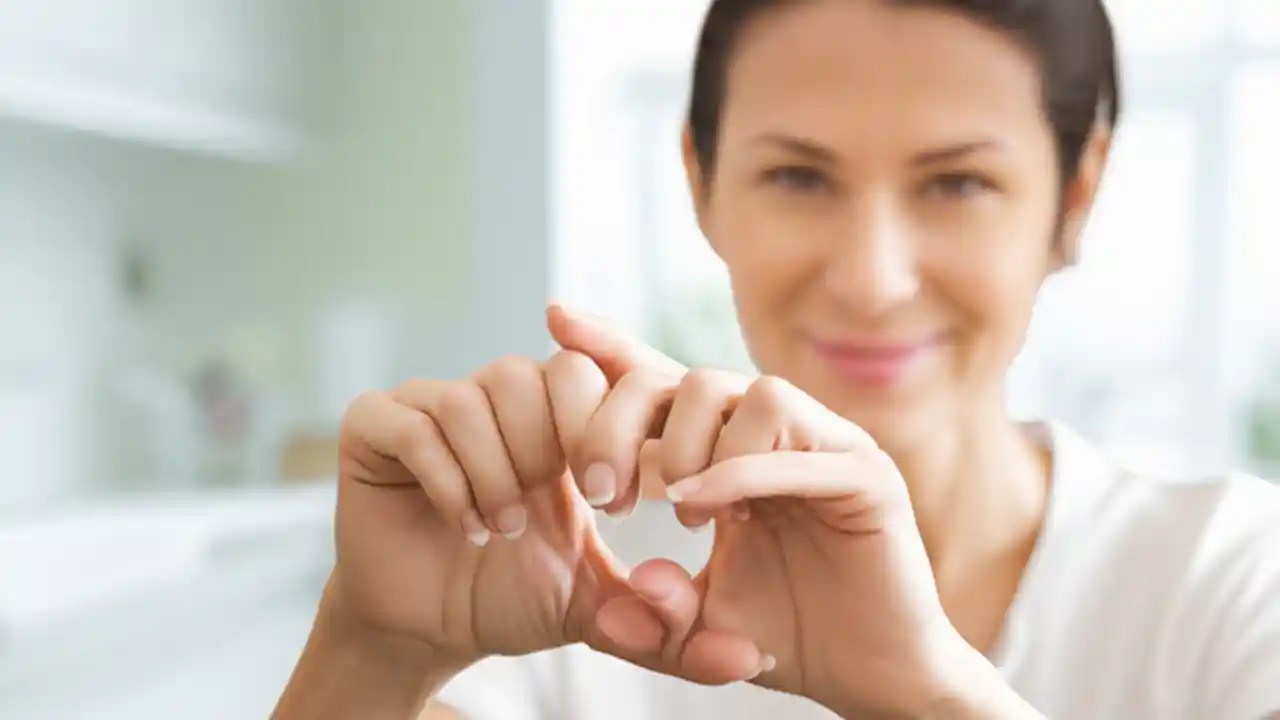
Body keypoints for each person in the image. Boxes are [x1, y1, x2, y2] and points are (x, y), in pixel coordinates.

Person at [273, 0, 1280, 718]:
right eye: (798, 176)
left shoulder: (1232, 581)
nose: (871, 280)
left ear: (1074, 197)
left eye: (957, 184)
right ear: (700, 181)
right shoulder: (578, 580)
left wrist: (931, 697)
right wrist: (373, 654)